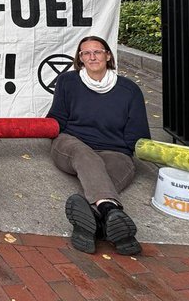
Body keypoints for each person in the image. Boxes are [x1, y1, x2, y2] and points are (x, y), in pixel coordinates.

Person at [46, 36, 149, 256]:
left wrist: (131, 152)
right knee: (85, 155)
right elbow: (57, 118)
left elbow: (137, 134)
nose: (92, 57)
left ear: (108, 55)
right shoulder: (67, 81)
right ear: (80, 58)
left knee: (102, 182)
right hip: (71, 143)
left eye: (97, 52)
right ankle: (110, 211)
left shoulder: (129, 90)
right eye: (86, 53)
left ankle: (97, 220)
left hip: (115, 151)